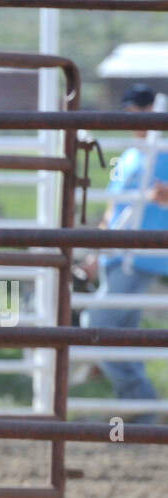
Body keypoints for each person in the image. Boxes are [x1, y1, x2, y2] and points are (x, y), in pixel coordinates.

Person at [83, 82, 168, 422]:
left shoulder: (163, 150)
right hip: (118, 253)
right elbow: (114, 206)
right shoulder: (133, 154)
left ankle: (143, 404)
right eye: (130, 113)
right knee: (120, 337)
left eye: (139, 112)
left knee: (97, 324)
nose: (134, 120)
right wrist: (98, 250)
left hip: (140, 256)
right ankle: (141, 414)